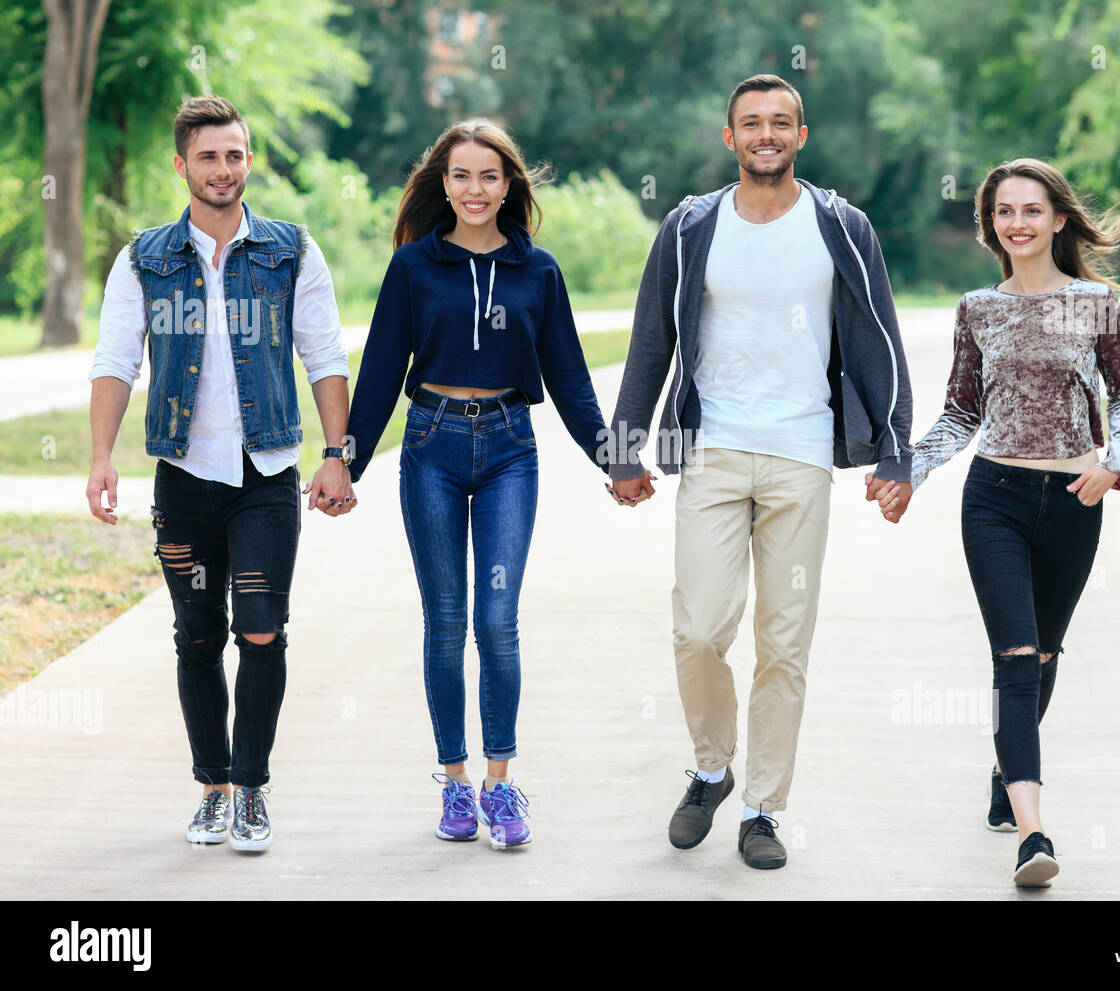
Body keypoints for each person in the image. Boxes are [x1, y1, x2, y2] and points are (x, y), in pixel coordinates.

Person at [607, 75, 913, 870]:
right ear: (729, 137)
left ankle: (762, 809)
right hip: (707, 448)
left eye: (781, 123)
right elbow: (650, 341)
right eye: (752, 123)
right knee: (699, 627)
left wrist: (895, 451)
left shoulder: (840, 224)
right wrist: (625, 446)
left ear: (800, 136)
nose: (766, 135)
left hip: (804, 452)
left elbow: (881, 338)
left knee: (784, 641)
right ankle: (711, 768)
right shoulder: (690, 225)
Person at [86, 96, 354, 852]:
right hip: (184, 478)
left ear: (247, 161)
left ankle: (253, 789)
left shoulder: (290, 249)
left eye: (235, 155)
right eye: (208, 156)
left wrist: (338, 454)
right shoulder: (144, 257)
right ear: (182, 165)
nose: (224, 169)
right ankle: (213, 788)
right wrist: (102, 458)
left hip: (266, 473)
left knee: (262, 630)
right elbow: (114, 362)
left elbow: (325, 357)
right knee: (197, 637)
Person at [869, 157, 1120, 886]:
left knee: (1045, 655)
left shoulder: (1095, 303)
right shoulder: (978, 309)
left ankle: (1003, 764)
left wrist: (1118, 459)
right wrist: (911, 470)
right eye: (1003, 212)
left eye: (1030, 209)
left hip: (1074, 501)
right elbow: (961, 411)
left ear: (1057, 217)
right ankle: (1033, 832)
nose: (1017, 223)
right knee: (1014, 658)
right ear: (991, 225)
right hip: (994, 497)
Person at [345, 120, 609, 850]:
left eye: (489, 176)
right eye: (460, 175)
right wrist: (347, 458)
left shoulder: (539, 271)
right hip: (430, 444)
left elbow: (570, 378)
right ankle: (454, 782)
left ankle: (500, 784)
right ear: (442, 183)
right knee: (444, 620)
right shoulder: (413, 268)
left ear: (510, 185)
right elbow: (379, 371)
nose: (474, 189)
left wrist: (611, 458)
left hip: (508, 450)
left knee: (496, 619)